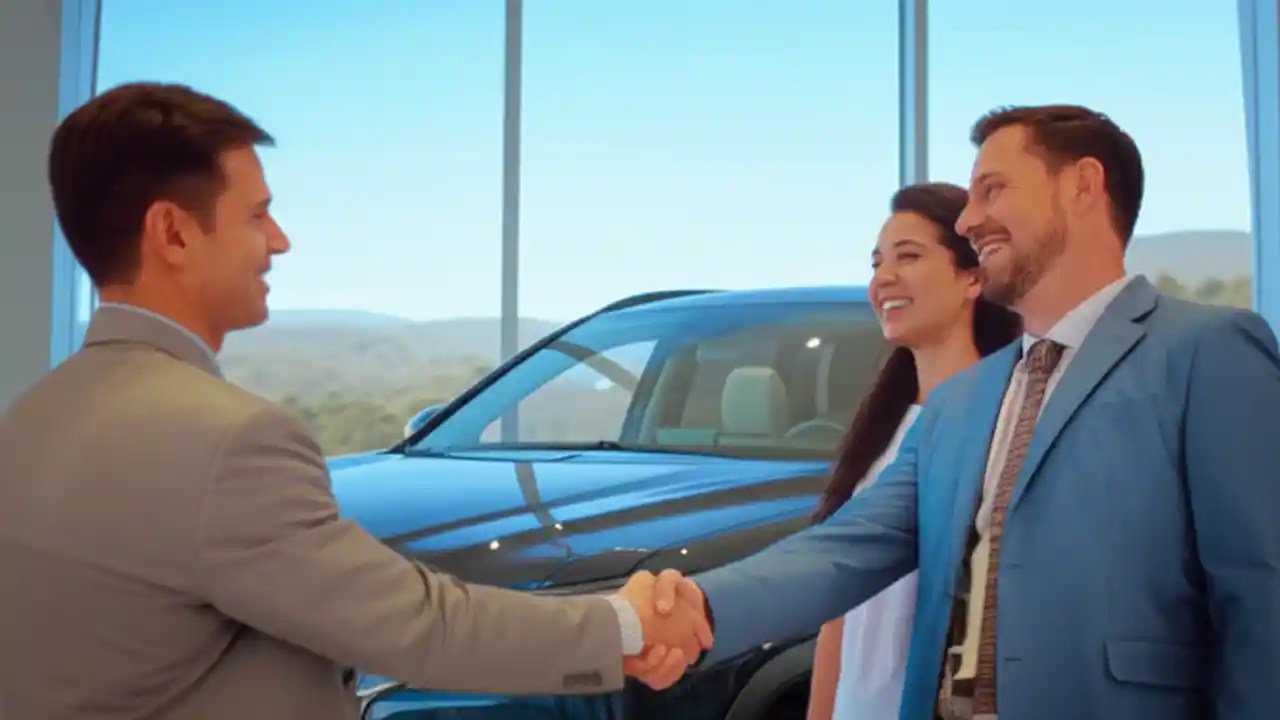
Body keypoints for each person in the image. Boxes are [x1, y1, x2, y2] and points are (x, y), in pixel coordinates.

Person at [0, 82, 707, 720]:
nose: (279, 241)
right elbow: (417, 626)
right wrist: (627, 625)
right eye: (257, 215)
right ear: (174, 232)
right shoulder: (228, 442)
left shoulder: (30, 421)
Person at [641, 104, 1280, 720]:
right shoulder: (960, 401)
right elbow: (850, 548)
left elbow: (1263, 597)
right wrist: (699, 603)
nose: (971, 220)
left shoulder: (1206, 353)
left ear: (1083, 185)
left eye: (992, 190)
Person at [806, 183, 1020, 720]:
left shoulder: (1005, 418)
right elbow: (840, 597)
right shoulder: (886, 425)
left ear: (972, 276)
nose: (884, 279)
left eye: (909, 256)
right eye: (877, 262)